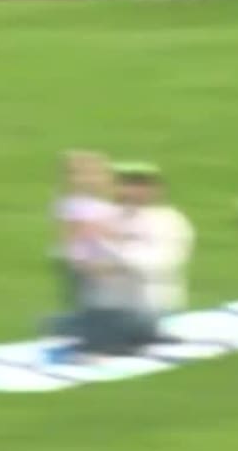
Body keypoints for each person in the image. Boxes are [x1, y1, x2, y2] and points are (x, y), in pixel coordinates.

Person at [64, 162, 194, 355]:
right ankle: (111, 331)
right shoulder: (103, 217)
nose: (131, 191)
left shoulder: (169, 220)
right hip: (108, 303)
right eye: (125, 184)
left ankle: (124, 333)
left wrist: (115, 259)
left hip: (150, 303)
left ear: (154, 191)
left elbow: (162, 262)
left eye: (140, 186)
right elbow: (78, 256)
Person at [49, 150, 118, 324]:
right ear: (70, 179)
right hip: (86, 265)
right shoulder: (73, 205)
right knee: (91, 306)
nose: (91, 179)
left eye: (97, 173)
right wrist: (86, 263)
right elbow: (76, 238)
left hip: (103, 263)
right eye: (83, 174)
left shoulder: (102, 204)